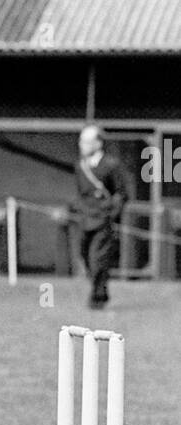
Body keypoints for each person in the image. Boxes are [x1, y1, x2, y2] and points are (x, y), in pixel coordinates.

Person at [73, 125, 130, 310]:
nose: (82, 145)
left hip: (103, 222)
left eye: (86, 141)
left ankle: (96, 299)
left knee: (98, 259)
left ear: (98, 143)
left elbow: (121, 193)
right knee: (85, 257)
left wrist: (112, 213)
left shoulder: (111, 165)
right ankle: (101, 290)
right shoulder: (80, 166)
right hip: (85, 220)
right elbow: (81, 194)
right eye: (81, 141)